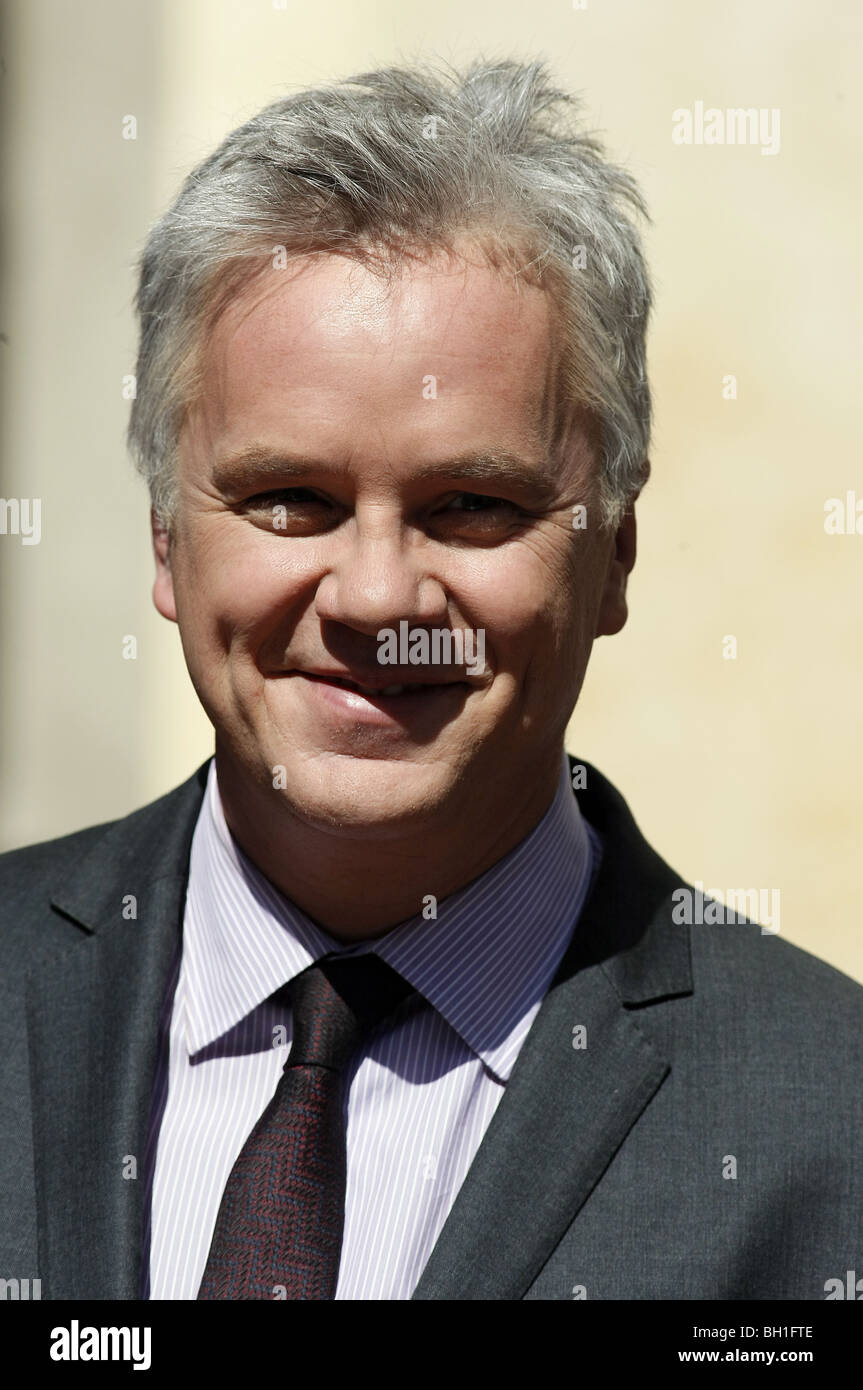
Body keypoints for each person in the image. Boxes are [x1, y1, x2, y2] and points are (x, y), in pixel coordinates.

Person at [1, 57, 861, 1303]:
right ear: (164, 542)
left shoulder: (824, 1126)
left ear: (612, 555)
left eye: (470, 505)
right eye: (289, 498)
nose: (374, 599)